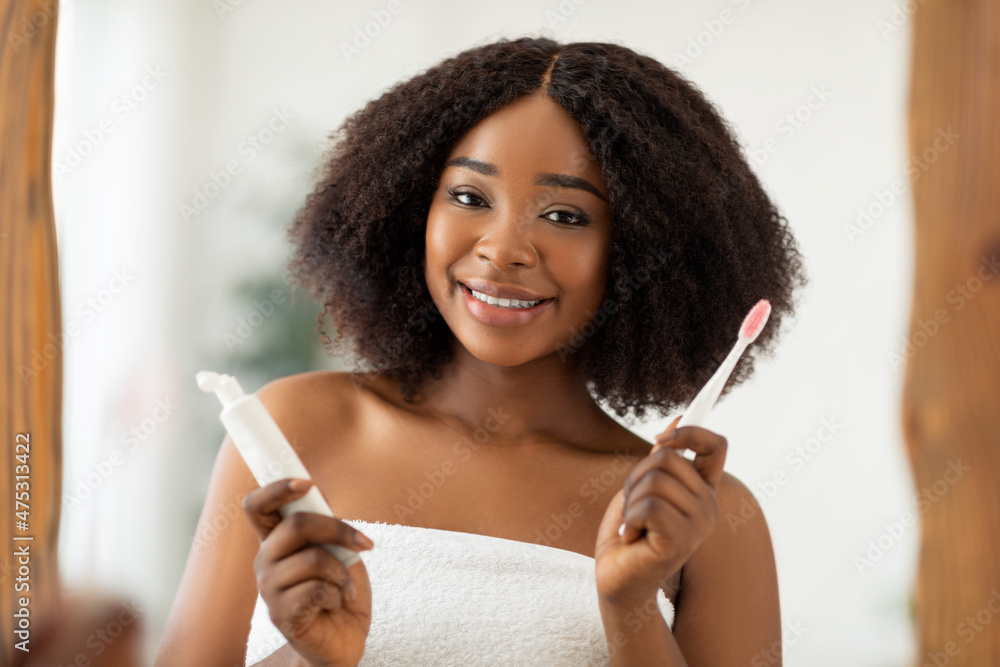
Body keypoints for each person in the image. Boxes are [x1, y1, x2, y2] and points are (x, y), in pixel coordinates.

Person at [156, 36, 805, 667]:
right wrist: (309, 657)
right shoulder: (289, 432)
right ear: (413, 207)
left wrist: (630, 605)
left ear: (644, 248)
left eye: (566, 215)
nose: (502, 248)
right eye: (469, 197)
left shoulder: (708, 520)